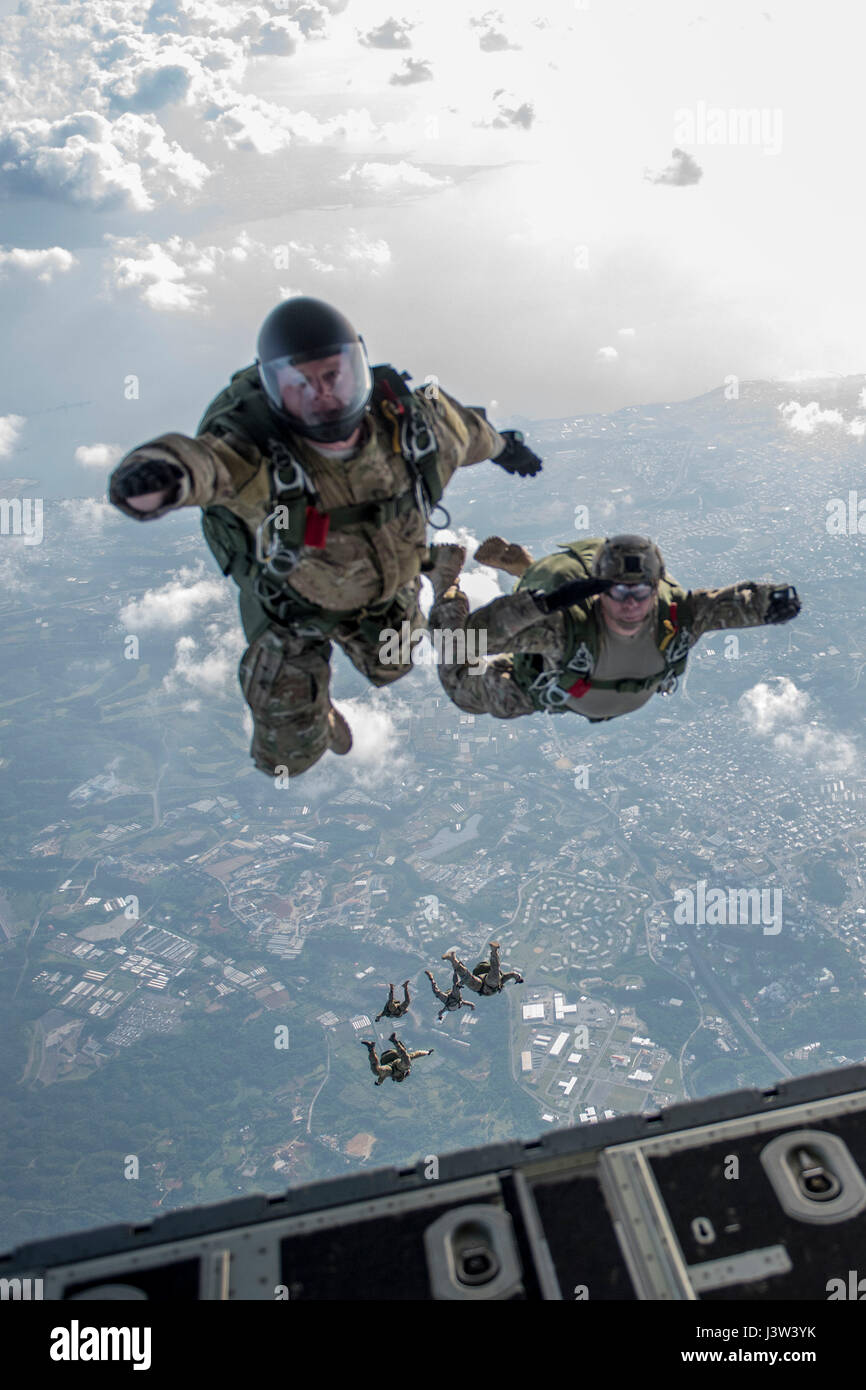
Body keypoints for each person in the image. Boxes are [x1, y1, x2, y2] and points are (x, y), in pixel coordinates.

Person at [107, 296, 542, 777]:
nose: (321, 395)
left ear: (358, 368)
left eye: (332, 375)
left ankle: (360, 654)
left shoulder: (416, 429)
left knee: (391, 664)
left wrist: (506, 448)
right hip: (295, 612)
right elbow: (201, 462)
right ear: (274, 391)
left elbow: (469, 430)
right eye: (300, 384)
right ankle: (318, 715)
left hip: (384, 590)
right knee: (289, 758)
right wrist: (156, 477)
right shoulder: (255, 453)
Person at [427, 534, 801, 721]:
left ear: (656, 588)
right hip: (550, 684)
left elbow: (733, 604)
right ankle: (444, 579)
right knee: (463, 688)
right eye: (616, 590)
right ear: (597, 590)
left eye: (641, 591)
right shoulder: (560, 629)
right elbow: (460, 642)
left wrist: (773, 603)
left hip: (596, 685)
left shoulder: (677, 615)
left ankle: (528, 569)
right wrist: (540, 605)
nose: (630, 603)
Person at [441, 942, 524, 996]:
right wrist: (518, 978)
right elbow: (512, 975)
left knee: (468, 976)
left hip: (480, 984)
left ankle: (453, 958)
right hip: (481, 987)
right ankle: (452, 959)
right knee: (467, 977)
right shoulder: (501, 979)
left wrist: (518, 978)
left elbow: (512, 974)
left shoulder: (501, 979)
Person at [360, 1033, 434, 1085]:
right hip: (396, 1060)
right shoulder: (404, 1068)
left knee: (376, 1071)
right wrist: (427, 1052)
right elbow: (418, 1054)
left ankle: (371, 1048)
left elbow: (382, 1077)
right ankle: (394, 1041)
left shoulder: (389, 1073)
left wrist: (379, 1082)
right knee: (406, 1062)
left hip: (388, 1063)